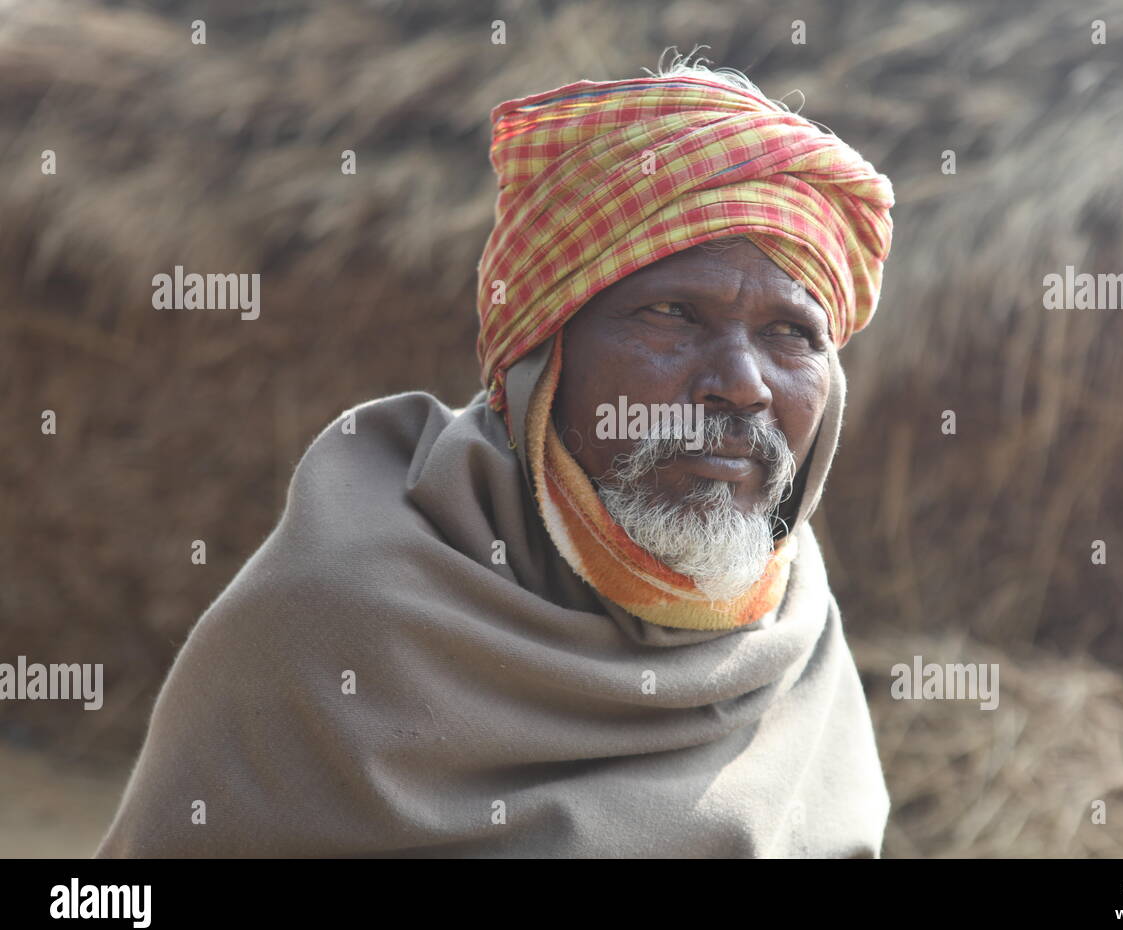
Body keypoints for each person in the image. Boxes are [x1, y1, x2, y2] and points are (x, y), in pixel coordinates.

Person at [96, 55, 895, 858]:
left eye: (791, 333)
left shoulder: (795, 625)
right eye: (673, 313)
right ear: (539, 359)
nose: (743, 386)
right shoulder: (339, 621)